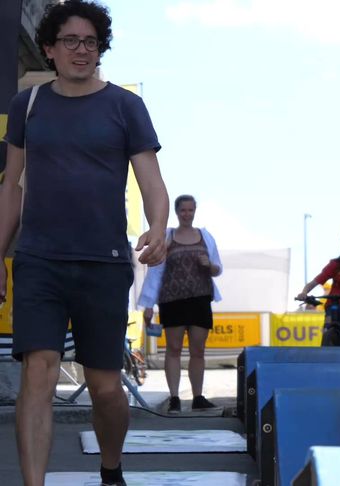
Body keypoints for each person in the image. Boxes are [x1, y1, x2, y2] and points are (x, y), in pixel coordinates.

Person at [0, 2, 169, 484]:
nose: (81, 50)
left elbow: (152, 180)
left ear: (101, 48)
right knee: (39, 370)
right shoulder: (27, 106)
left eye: (90, 42)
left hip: (103, 261)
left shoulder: (124, 106)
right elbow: (11, 186)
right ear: (49, 49)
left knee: (105, 388)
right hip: (38, 259)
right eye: (70, 41)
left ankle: (110, 469)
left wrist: (158, 226)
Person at [138, 195, 222, 415]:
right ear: (177, 212)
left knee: (198, 350)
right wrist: (149, 304)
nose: (187, 214)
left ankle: (198, 397)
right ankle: (174, 397)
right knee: (173, 349)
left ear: (195, 211)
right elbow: (156, 271)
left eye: (190, 210)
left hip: (200, 298)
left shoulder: (205, 236)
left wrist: (209, 265)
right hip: (172, 299)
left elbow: (218, 269)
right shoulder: (168, 236)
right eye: (183, 210)